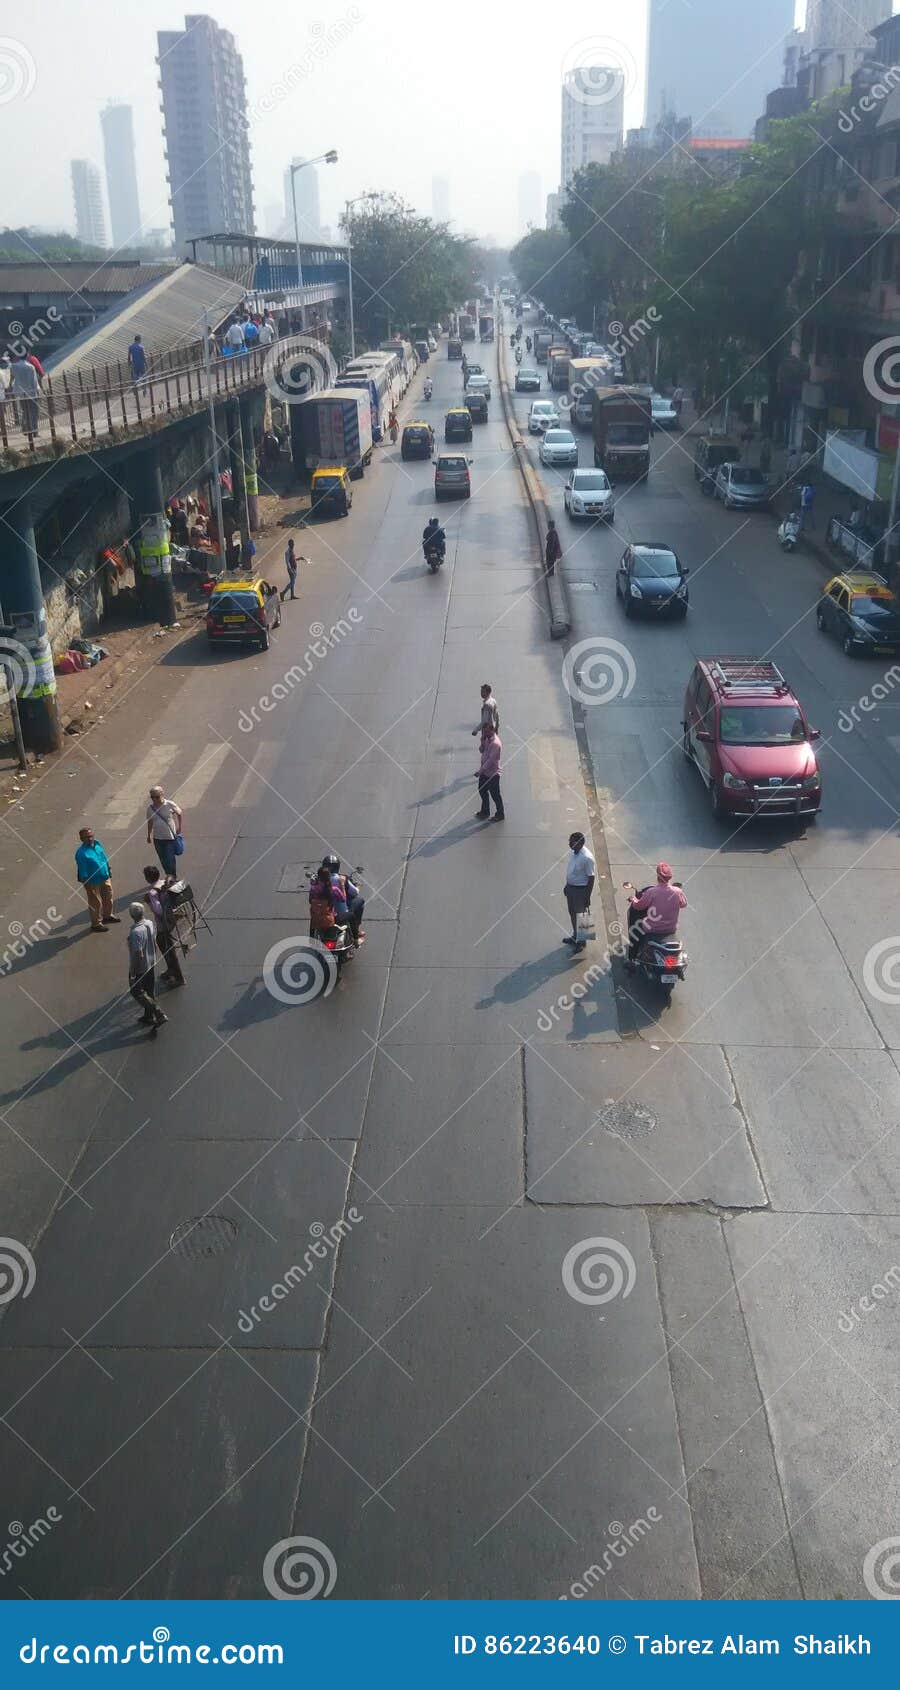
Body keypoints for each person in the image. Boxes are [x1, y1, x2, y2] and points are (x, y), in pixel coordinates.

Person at [627, 862, 687, 964]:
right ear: (670, 877)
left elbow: (639, 906)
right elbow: (683, 904)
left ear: (658, 876)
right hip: (671, 929)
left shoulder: (652, 892)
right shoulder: (677, 892)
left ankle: (632, 957)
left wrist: (633, 899)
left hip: (652, 929)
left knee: (635, 931)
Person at [127, 903, 167, 1031]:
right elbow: (153, 940)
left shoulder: (136, 932)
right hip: (151, 962)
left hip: (141, 967)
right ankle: (148, 1015)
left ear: (131, 915)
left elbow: (138, 954)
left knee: (137, 991)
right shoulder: (149, 923)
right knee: (149, 990)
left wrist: (133, 974)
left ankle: (158, 1013)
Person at [142, 865, 184, 986]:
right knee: (163, 944)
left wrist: (149, 902)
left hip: (163, 923)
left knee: (168, 948)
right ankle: (170, 970)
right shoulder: (164, 883)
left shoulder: (152, 892)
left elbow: (159, 910)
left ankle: (179, 977)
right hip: (171, 919)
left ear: (147, 878)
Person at [75, 826, 122, 932]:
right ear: (82, 839)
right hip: (92, 882)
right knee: (95, 903)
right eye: (86, 837)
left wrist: (108, 868)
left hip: (104, 877)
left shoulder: (97, 844)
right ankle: (96, 923)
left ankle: (107, 916)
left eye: (91, 836)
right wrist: (87, 886)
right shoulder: (81, 853)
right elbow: (82, 872)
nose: (90, 839)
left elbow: (103, 857)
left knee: (108, 897)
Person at [321, 853, 366, 946]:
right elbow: (348, 896)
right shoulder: (340, 881)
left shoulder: (318, 883)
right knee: (359, 902)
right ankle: (356, 937)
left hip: (322, 916)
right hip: (338, 916)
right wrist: (350, 886)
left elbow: (311, 899)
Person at [564, 832, 595, 953]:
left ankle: (582, 942)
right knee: (572, 913)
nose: (570, 844)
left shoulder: (587, 858)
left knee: (582, 916)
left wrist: (587, 897)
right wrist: (567, 885)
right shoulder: (574, 852)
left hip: (580, 891)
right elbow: (572, 870)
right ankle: (576, 936)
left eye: (572, 842)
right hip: (571, 889)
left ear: (581, 843)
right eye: (569, 841)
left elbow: (591, 878)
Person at [146, 786, 183, 876]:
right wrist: (149, 835)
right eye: (152, 797)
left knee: (170, 859)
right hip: (157, 839)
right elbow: (150, 822)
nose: (154, 799)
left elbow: (179, 813)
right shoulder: (150, 809)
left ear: (162, 795)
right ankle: (168, 875)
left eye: (157, 797)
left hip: (169, 837)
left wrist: (180, 827)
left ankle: (173, 876)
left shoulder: (169, 804)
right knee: (163, 859)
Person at [475, 726, 504, 820]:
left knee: (495, 795)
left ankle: (500, 814)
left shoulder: (496, 744)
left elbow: (491, 760)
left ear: (492, 730)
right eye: (484, 732)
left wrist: (480, 771)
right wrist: (482, 742)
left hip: (492, 774)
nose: (485, 733)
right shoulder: (487, 739)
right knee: (482, 790)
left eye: (487, 731)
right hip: (485, 772)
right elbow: (481, 751)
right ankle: (485, 811)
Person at [10, 351, 40, 435]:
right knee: (34, 412)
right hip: (31, 393)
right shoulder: (30, 367)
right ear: (26, 356)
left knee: (25, 412)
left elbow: (13, 378)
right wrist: (38, 391)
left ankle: (26, 429)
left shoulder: (13, 367)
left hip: (21, 393)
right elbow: (34, 381)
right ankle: (34, 431)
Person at [281, 537, 298, 601]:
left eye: (293, 544)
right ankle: (283, 593)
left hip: (294, 568)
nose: (293, 545)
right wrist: (290, 569)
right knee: (292, 582)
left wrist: (300, 558)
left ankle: (292, 595)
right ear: (289, 544)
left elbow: (294, 559)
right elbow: (287, 561)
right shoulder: (287, 552)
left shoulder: (292, 551)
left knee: (292, 582)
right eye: (291, 544)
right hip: (291, 569)